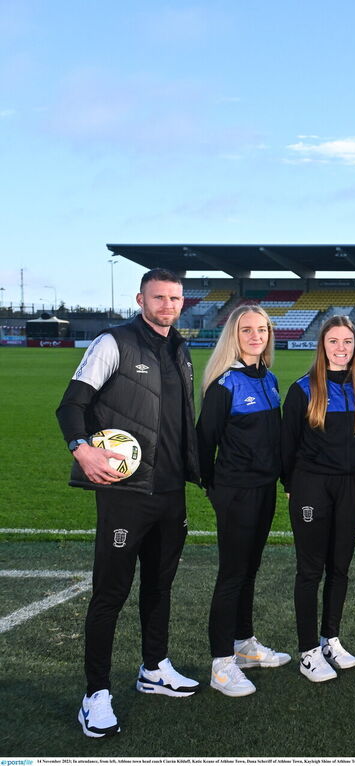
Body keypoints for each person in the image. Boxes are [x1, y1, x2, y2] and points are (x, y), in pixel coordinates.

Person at [56, 268, 201, 737]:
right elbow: (71, 405)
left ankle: (154, 668)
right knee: (110, 595)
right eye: (159, 297)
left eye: (175, 298)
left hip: (171, 492)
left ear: (183, 303)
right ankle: (95, 694)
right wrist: (82, 447)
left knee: (159, 587)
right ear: (141, 299)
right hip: (126, 495)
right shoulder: (112, 343)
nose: (167, 305)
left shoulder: (181, 349)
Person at [197, 304, 292, 697]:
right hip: (235, 492)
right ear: (233, 336)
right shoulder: (224, 384)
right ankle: (221, 664)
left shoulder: (268, 379)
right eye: (247, 330)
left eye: (262, 330)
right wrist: (215, 490)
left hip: (264, 489)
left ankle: (243, 644)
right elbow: (203, 444)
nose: (256, 336)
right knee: (232, 574)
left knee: (250, 568)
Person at [281, 315, 355, 683]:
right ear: (322, 345)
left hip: (351, 485)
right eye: (333, 341)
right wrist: (292, 485)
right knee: (310, 570)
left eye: (347, 342)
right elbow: (286, 444)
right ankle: (307, 651)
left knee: (340, 568)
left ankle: (329, 638)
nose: (341, 348)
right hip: (311, 486)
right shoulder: (303, 389)